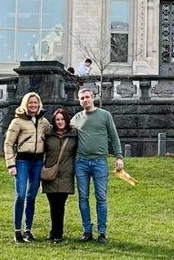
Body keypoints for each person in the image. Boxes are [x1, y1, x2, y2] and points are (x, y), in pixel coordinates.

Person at [71, 86, 123, 245]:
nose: (85, 100)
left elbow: (114, 137)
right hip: (81, 162)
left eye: (87, 97)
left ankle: (102, 232)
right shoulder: (76, 119)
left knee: (101, 197)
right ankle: (87, 231)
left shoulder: (105, 115)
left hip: (100, 161)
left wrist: (119, 156)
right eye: (82, 98)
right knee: (83, 197)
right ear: (79, 101)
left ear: (93, 98)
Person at [4, 92, 51, 244]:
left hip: (37, 162)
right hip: (22, 161)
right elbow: (8, 144)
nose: (33, 106)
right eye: (30, 103)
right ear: (25, 104)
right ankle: (17, 230)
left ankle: (28, 230)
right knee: (21, 196)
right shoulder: (17, 122)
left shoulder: (44, 122)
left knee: (31, 197)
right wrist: (11, 164)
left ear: (39, 105)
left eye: (35, 103)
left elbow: (53, 133)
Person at [42, 107, 79, 244]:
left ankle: (58, 234)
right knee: (52, 205)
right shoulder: (48, 134)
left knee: (60, 204)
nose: (60, 122)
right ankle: (53, 232)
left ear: (66, 120)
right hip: (50, 174)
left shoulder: (74, 134)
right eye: (57, 119)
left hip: (65, 174)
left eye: (62, 119)